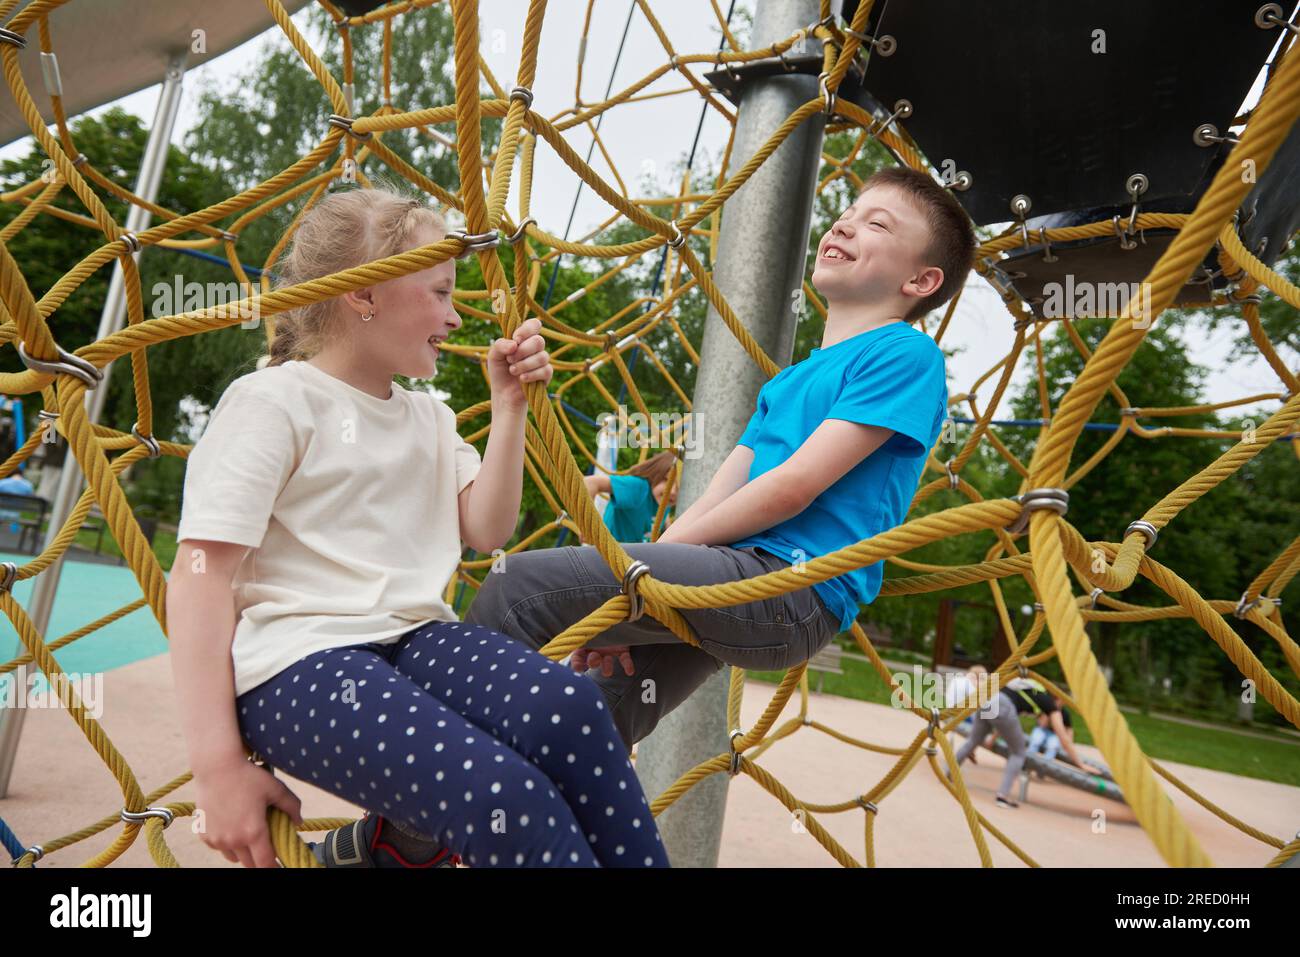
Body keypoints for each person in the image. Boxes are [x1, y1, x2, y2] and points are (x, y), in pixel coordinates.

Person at [166, 186, 669, 869]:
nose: (455, 314)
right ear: (362, 294)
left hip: (414, 641)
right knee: (505, 797)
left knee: (573, 710)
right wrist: (217, 767)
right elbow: (200, 576)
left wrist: (510, 406)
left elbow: (487, 527)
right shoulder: (275, 400)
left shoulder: (427, 415)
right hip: (299, 663)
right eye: (438, 292)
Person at [462, 164, 971, 746]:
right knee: (588, 724)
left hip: (788, 588)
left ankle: (411, 779)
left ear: (921, 281)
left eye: (876, 223)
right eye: (847, 214)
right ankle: (413, 840)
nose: (846, 226)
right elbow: (717, 493)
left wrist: (638, 579)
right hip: (726, 581)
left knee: (516, 589)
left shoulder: (905, 354)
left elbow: (792, 487)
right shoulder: (790, 380)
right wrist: (637, 595)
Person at [947, 678, 1089, 808]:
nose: (1062, 705)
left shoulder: (1034, 690)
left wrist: (993, 738)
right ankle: (1002, 796)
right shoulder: (1050, 704)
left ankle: (948, 773)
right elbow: (1063, 737)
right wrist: (1080, 764)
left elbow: (1005, 716)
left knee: (973, 740)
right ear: (1059, 698)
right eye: (1063, 702)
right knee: (1019, 752)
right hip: (1003, 704)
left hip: (988, 698)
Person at [582, 449, 679, 543]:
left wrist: (669, 526)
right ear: (657, 473)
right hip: (609, 553)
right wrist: (586, 523)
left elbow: (660, 514)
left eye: (680, 488)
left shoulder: (664, 502)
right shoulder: (638, 488)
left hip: (634, 556)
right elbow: (590, 482)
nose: (673, 491)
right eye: (667, 480)